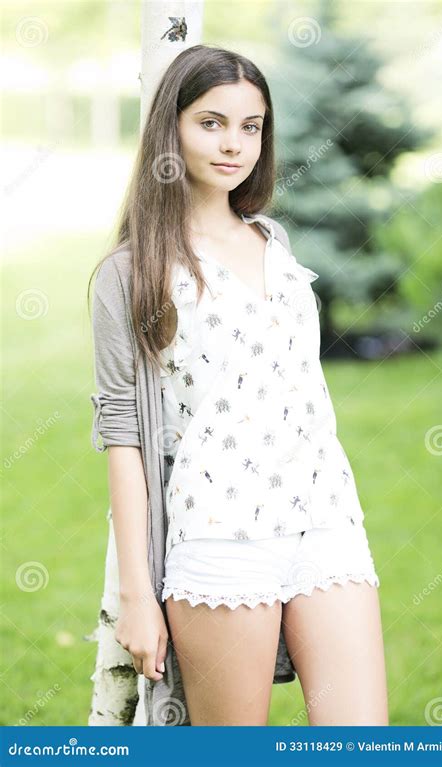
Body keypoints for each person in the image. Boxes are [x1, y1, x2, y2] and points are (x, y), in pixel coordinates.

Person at [89, 44, 389, 726]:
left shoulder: (273, 241)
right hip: (220, 530)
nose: (234, 144)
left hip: (326, 515)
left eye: (250, 126)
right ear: (172, 127)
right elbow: (123, 435)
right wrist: (138, 590)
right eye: (212, 122)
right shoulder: (130, 273)